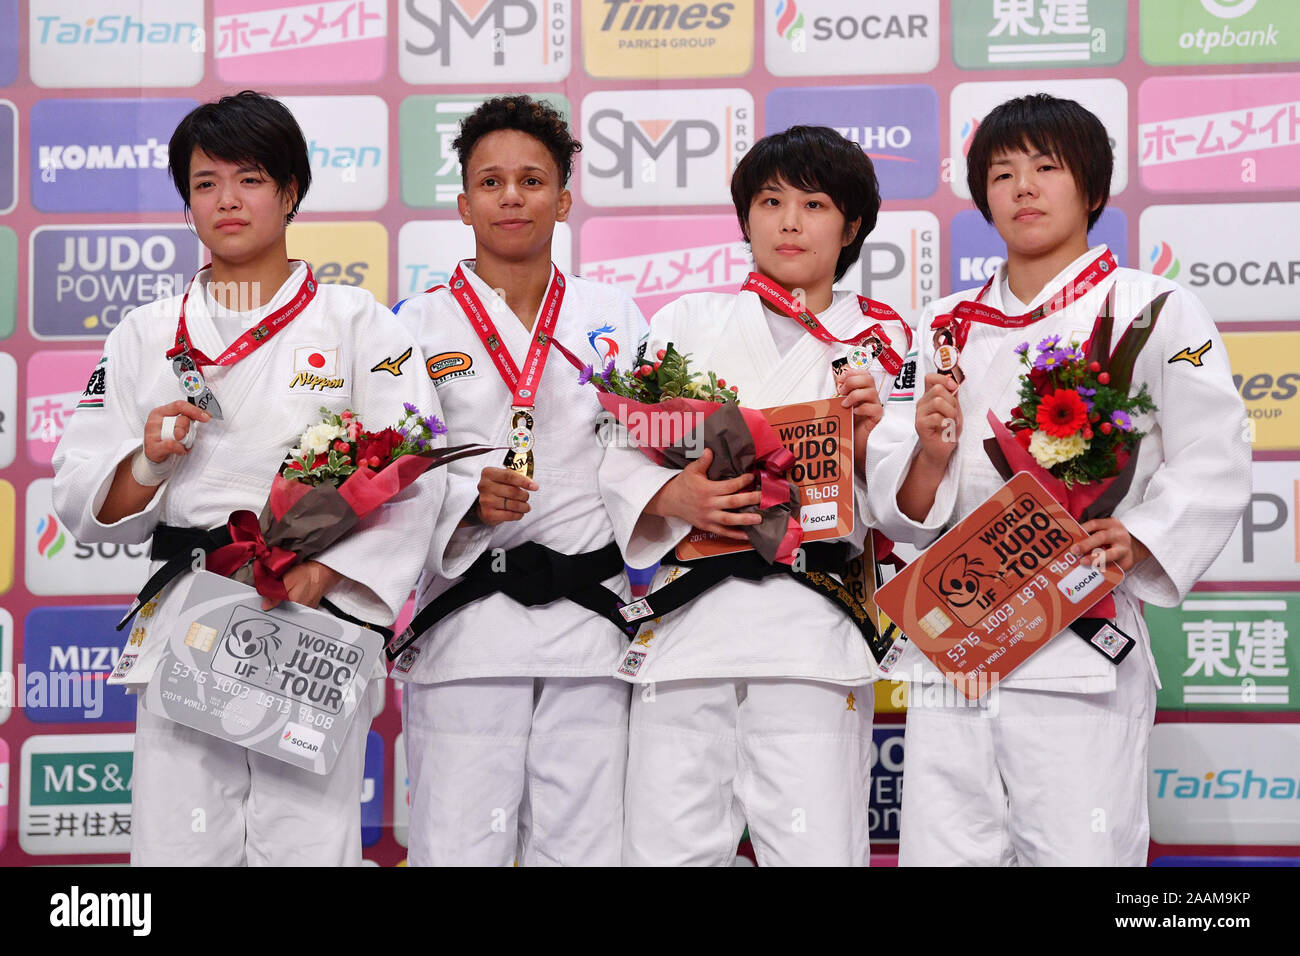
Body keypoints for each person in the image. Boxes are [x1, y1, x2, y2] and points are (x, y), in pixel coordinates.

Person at [50, 91, 441, 866]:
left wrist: (321, 572)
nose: (227, 200)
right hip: (193, 608)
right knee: (178, 844)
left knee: (306, 846)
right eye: (204, 183)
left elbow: (415, 473)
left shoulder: (359, 323)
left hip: (316, 618)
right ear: (186, 205)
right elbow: (82, 499)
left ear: (291, 191)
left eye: (251, 178)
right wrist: (148, 460)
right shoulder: (146, 332)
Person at [866, 93, 1251, 866]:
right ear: (982, 197)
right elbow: (900, 501)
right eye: (1003, 173)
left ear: (1093, 189)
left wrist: (1141, 535)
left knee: (1083, 852)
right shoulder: (940, 325)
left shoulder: (1162, 311)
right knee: (944, 852)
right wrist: (930, 456)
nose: (1024, 189)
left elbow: (1217, 450)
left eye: (1047, 167)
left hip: (1079, 643)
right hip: (958, 639)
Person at [600, 125, 910, 866]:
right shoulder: (686, 323)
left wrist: (871, 438)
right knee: (666, 850)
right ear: (746, 219)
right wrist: (675, 497)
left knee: (815, 850)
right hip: (690, 625)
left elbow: (911, 498)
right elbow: (617, 450)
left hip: (812, 628)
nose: (790, 221)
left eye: (813, 203)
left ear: (853, 224)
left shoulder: (885, 339)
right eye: (770, 201)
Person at [391, 95, 644, 866]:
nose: (512, 197)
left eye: (532, 180)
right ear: (463, 202)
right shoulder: (412, 324)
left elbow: (642, 456)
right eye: (491, 182)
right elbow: (391, 472)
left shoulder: (616, 316)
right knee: (458, 846)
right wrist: (466, 502)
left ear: (563, 199)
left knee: (586, 850)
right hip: (469, 627)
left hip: (591, 629)